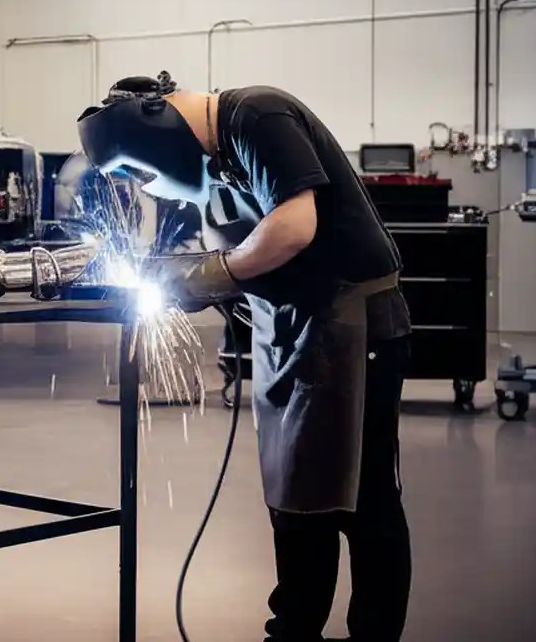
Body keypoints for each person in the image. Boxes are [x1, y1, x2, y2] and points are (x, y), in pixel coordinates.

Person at [77, 72, 413, 642]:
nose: (148, 187)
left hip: (353, 326)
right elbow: (246, 254)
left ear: (153, 127)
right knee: (295, 494)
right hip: (294, 329)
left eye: (138, 171)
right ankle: (294, 629)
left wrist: (214, 272)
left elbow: (293, 225)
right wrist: (200, 284)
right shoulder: (217, 163)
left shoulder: (256, 117)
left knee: (364, 499)